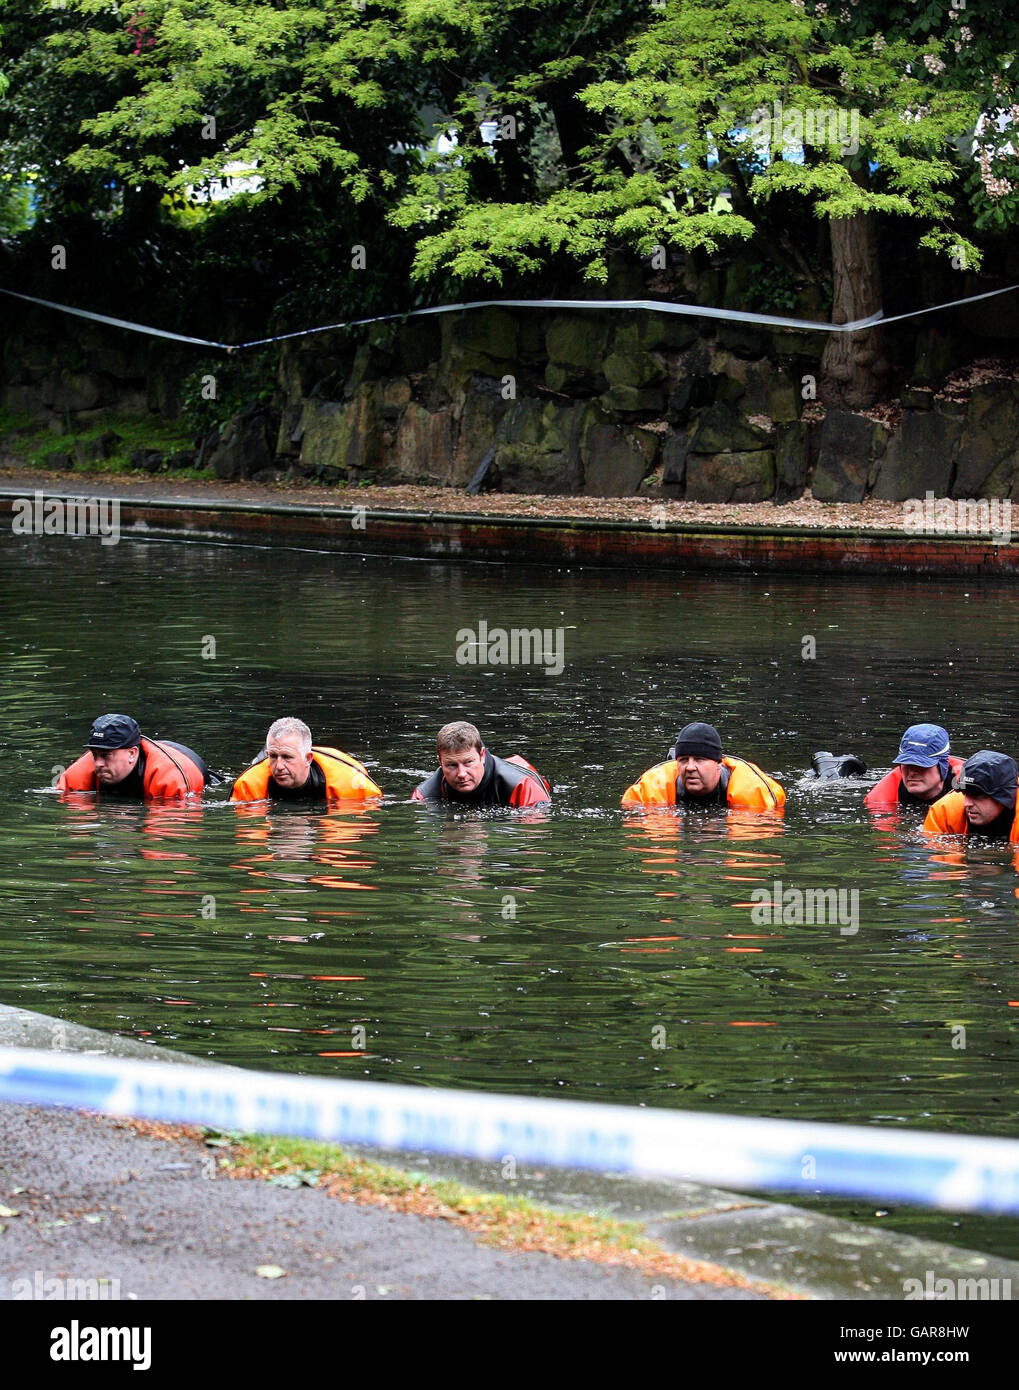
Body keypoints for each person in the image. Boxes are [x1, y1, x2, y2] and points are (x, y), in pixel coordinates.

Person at [621, 722, 784, 810]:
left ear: (718, 764)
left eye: (699, 759)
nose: (690, 767)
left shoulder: (754, 791)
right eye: (684, 760)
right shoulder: (652, 789)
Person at [230, 717, 382, 802]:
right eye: (273, 757)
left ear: (308, 759)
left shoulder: (350, 783)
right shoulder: (248, 784)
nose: (279, 766)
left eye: (287, 757)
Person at [57, 714, 206, 800]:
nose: (98, 764)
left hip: (186, 759)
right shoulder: (77, 774)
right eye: (94, 754)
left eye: (106, 755)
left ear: (132, 753)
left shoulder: (170, 778)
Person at [413, 721, 551, 807]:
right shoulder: (423, 794)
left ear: (482, 755)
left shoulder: (522, 786)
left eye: (469, 762)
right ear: (440, 762)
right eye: (452, 765)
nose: (461, 774)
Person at [923, 751, 1019, 843]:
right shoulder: (944, 812)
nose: (967, 803)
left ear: (1003, 797)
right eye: (965, 793)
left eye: (977, 796)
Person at [864, 723, 964, 810]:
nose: (912, 773)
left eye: (921, 765)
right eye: (907, 764)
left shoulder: (968, 792)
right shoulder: (879, 799)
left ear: (943, 766)